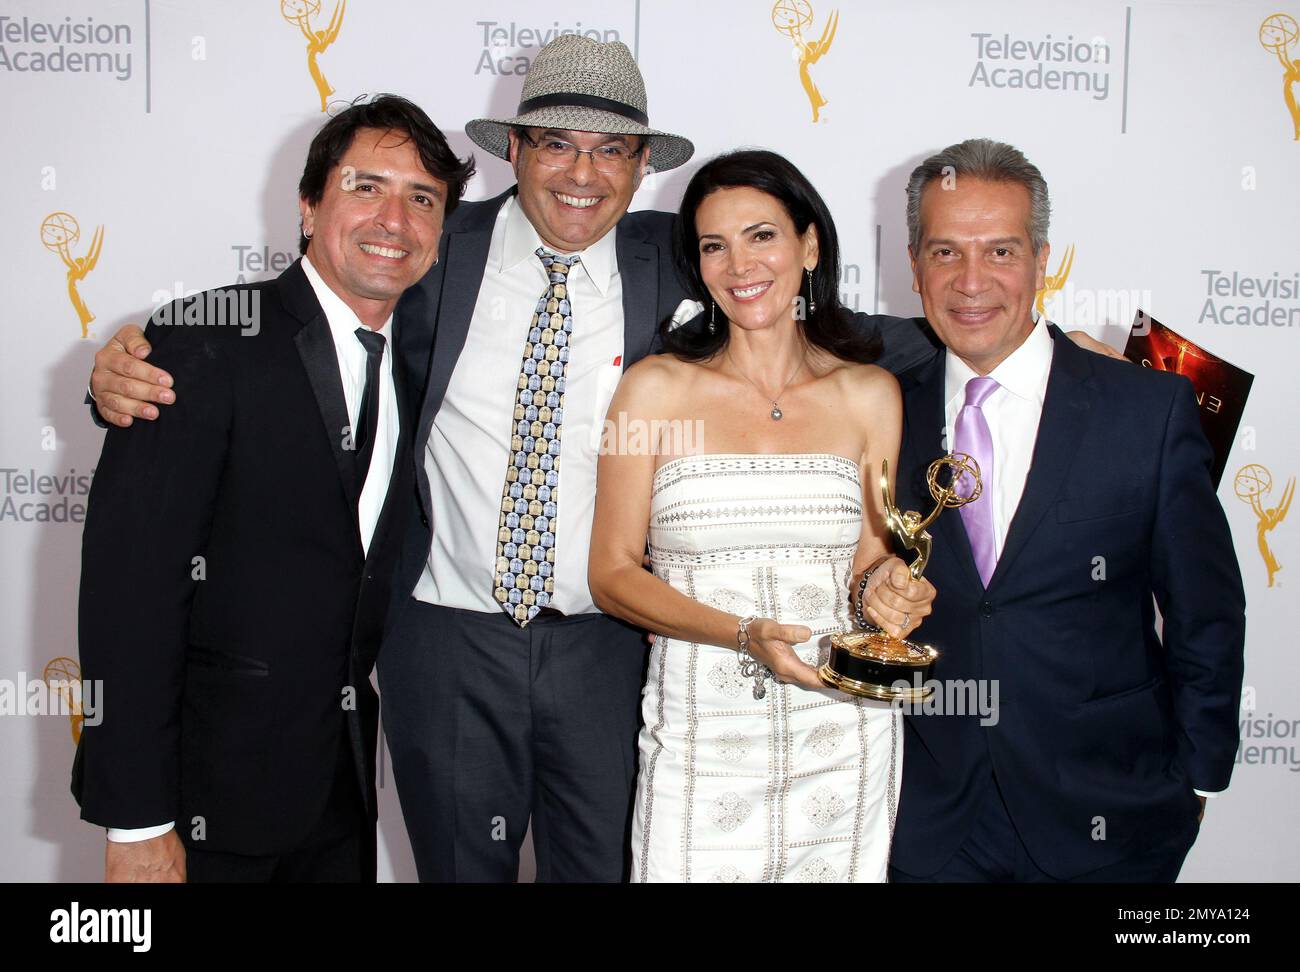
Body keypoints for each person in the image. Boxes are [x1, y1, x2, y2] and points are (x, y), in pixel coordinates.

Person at [82, 38, 1119, 882]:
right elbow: (307, 319)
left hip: (607, 648)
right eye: (557, 144)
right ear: (515, 150)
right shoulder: (432, 254)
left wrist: (1060, 357)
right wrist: (124, 364)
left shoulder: (682, 253)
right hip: (446, 643)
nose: (583, 173)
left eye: (612, 151)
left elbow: (836, 329)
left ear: (642, 168)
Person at [73, 95, 473, 882]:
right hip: (198, 805)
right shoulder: (200, 340)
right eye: (365, 187)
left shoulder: (422, 365)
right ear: (307, 205)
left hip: (339, 796)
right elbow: (128, 596)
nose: (393, 218)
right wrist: (136, 821)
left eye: (421, 198)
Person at [887, 138, 1245, 883]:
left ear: (1043, 260)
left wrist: (1199, 777)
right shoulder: (881, 408)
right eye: (946, 252)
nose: (972, 281)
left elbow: (1205, 612)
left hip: (1110, 815)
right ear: (915, 266)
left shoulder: (1145, 410)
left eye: (1002, 252)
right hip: (932, 826)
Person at [587, 150, 936, 882]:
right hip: (699, 740)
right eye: (715, 245)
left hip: (841, 739)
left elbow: (869, 564)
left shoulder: (869, 394)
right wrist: (741, 634)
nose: (739, 264)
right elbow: (612, 575)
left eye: (761, 236)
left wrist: (890, 590)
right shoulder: (652, 391)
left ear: (809, 245)